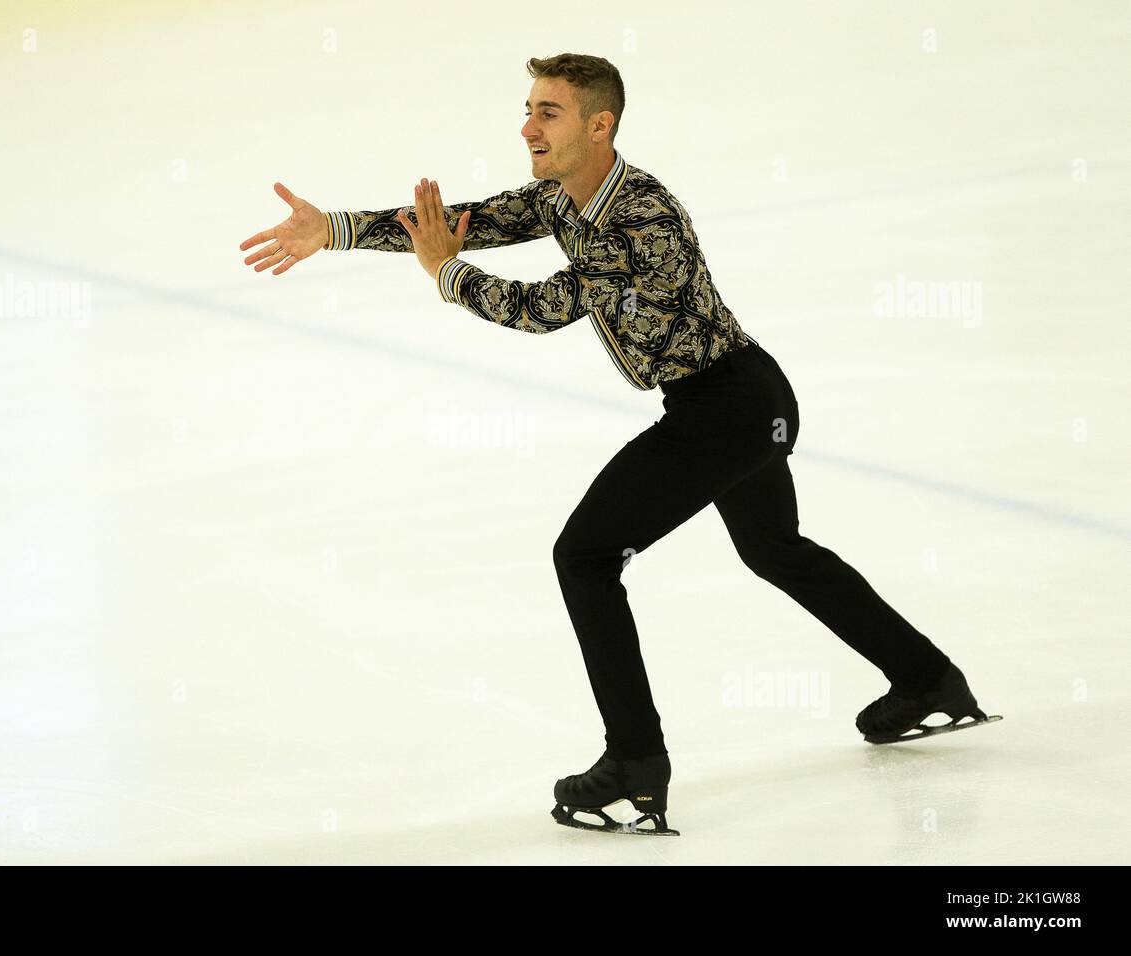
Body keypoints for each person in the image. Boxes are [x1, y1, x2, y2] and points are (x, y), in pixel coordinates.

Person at [238, 53, 998, 836]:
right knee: (776, 550)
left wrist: (445, 274)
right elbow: (467, 220)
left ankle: (635, 761)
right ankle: (927, 679)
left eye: (549, 113)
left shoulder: (641, 219)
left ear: (600, 125)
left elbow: (536, 308)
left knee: (586, 557)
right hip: (740, 400)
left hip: (728, 409)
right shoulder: (566, 199)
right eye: (529, 108)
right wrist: (331, 231)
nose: (527, 127)